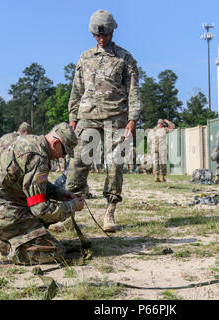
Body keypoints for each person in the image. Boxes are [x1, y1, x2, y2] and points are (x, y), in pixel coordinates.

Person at [0, 123, 84, 267]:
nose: (63, 156)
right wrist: (71, 206)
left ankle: (1, 232)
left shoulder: (25, 141)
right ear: (56, 143)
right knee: (56, 251)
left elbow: (34, 186)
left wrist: (62, 194)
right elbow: (41, 209)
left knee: (42, 231)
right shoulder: (38, 158)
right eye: (64, 152)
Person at [66, 10, 141, 233]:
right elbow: (76, 90)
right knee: (79, 163)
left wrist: (132, 120)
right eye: (97, 36)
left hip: (115, 118)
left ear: (112, 31)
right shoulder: (85, 57)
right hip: (87, 118)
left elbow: (134, 91)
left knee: (115, 165)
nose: (101, 39)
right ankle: (70, 212)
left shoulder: (125, 58)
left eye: (105, 34)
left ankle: (110, 212)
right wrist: (72, 118)